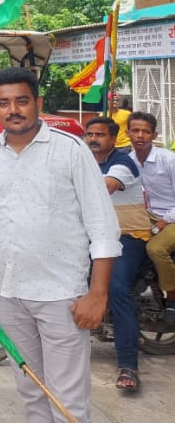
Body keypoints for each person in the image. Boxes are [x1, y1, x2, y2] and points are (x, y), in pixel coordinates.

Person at [0, 68, 120, 423]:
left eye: (22, 101)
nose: (14, 110)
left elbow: (103, 226)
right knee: (30, 389)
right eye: (4, 103)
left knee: (67, 399)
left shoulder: (70, 151)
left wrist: (97, 294)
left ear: (37, 103)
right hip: (7, 293)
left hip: (62, 296)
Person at [83, 115, 152, 392]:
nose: (93, 139)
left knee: (116, 288)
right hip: (97, 236)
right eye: (89, 134)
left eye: (100, 135)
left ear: (113, 139)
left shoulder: (122, 163)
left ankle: (128, 365)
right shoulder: (86, 162)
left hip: (128, 236)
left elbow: (103, 191)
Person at [128, 111, 175, 324]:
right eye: (135, 130)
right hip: (147, 215)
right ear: (127, 133)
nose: (140, 135)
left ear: (154, 135)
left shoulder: (168, 160)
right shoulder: (128, 161)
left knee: (156, 249)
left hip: (171, 215)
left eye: (145, 131)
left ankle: (172, 299)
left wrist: (164, 221)